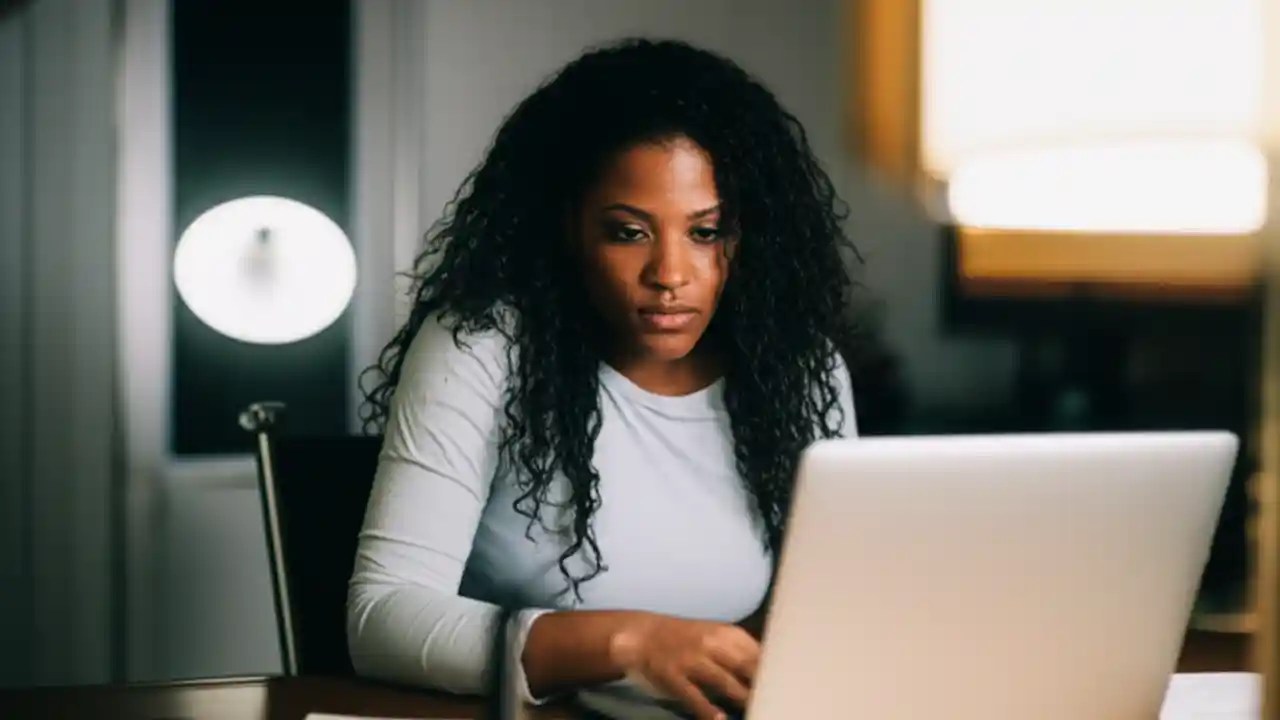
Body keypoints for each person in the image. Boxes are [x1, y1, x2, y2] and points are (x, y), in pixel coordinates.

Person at [348, 38, 858, 720]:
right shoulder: (483, 347)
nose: (670, 275)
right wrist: (627, 642)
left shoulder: (800, 369)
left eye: (706, 233)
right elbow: (382, 621)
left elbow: (828, 616)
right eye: (628, 232)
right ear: (567, 227)